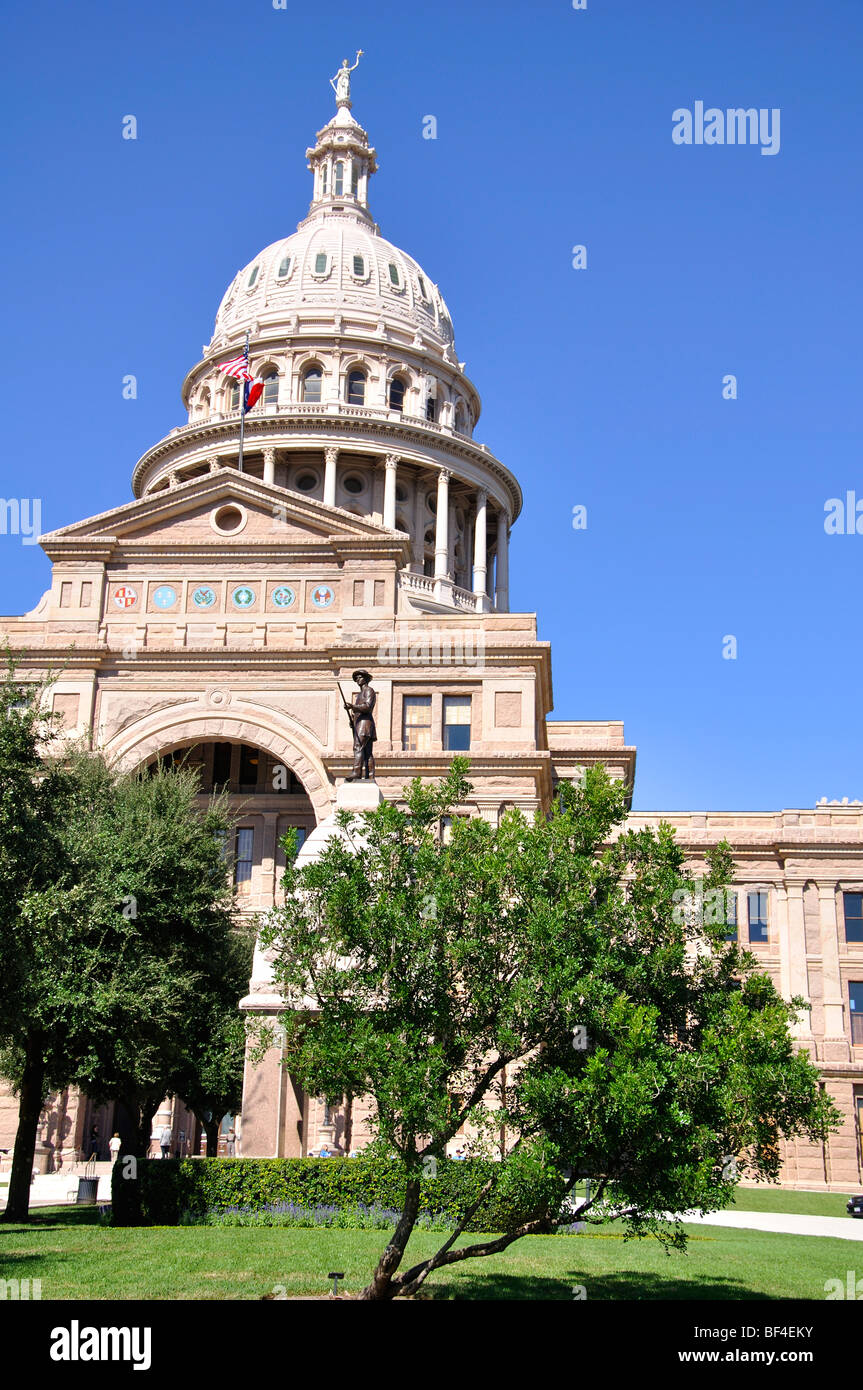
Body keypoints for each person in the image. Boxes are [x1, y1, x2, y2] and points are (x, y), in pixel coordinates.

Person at [345, 670, 376, 781]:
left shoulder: (369, 691)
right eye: (356, 678)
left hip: (365, 724)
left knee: (358, 747)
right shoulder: (359, 694)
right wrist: (353, 720)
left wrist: (353, 706)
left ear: (365, 678)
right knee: (367, 753)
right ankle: (370, 776)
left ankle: (356, 773)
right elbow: (358, 711)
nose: (357, 679)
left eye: (359, 677)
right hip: (359, 724)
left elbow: (367, 707)